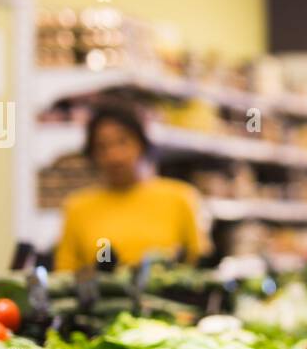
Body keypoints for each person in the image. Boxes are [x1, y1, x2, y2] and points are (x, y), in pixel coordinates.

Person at [53, 102, 211, 272]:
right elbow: (65, 272)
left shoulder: (181, 197)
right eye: (102, 146)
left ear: (141, 143)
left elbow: (198, 261)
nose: (114, 155)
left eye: (122, 142)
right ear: (92, 154)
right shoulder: (78, 207)